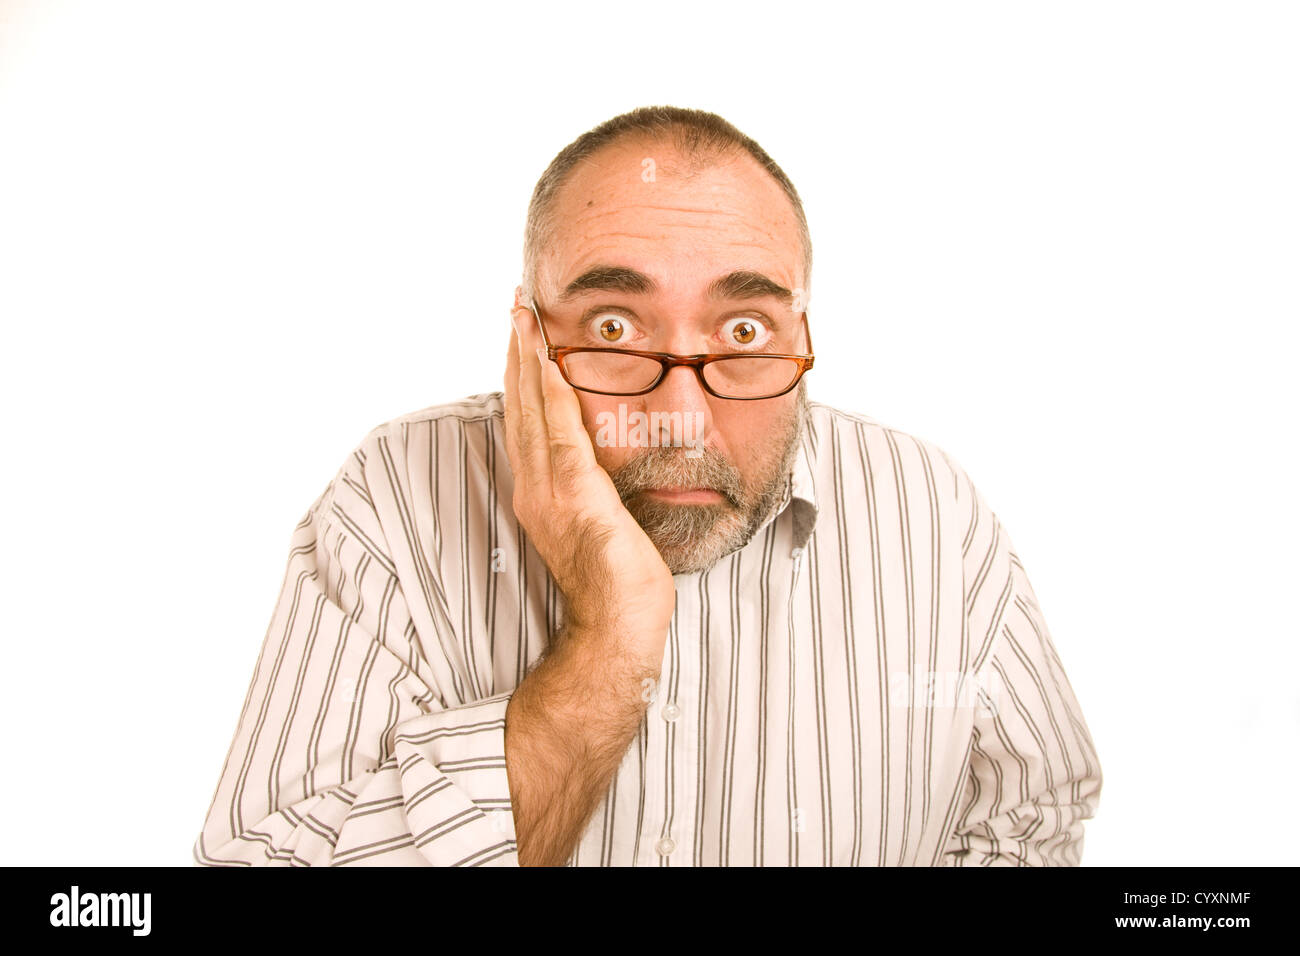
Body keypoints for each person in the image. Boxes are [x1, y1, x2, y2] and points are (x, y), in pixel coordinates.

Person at [194, 105, 1102, 867]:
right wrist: (611, 634)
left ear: (798, 331)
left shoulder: (933, 515)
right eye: (616, 327)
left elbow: (1028, 825)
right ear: (529, 340)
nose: (684, 413)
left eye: (743, 331)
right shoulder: (399, 497)